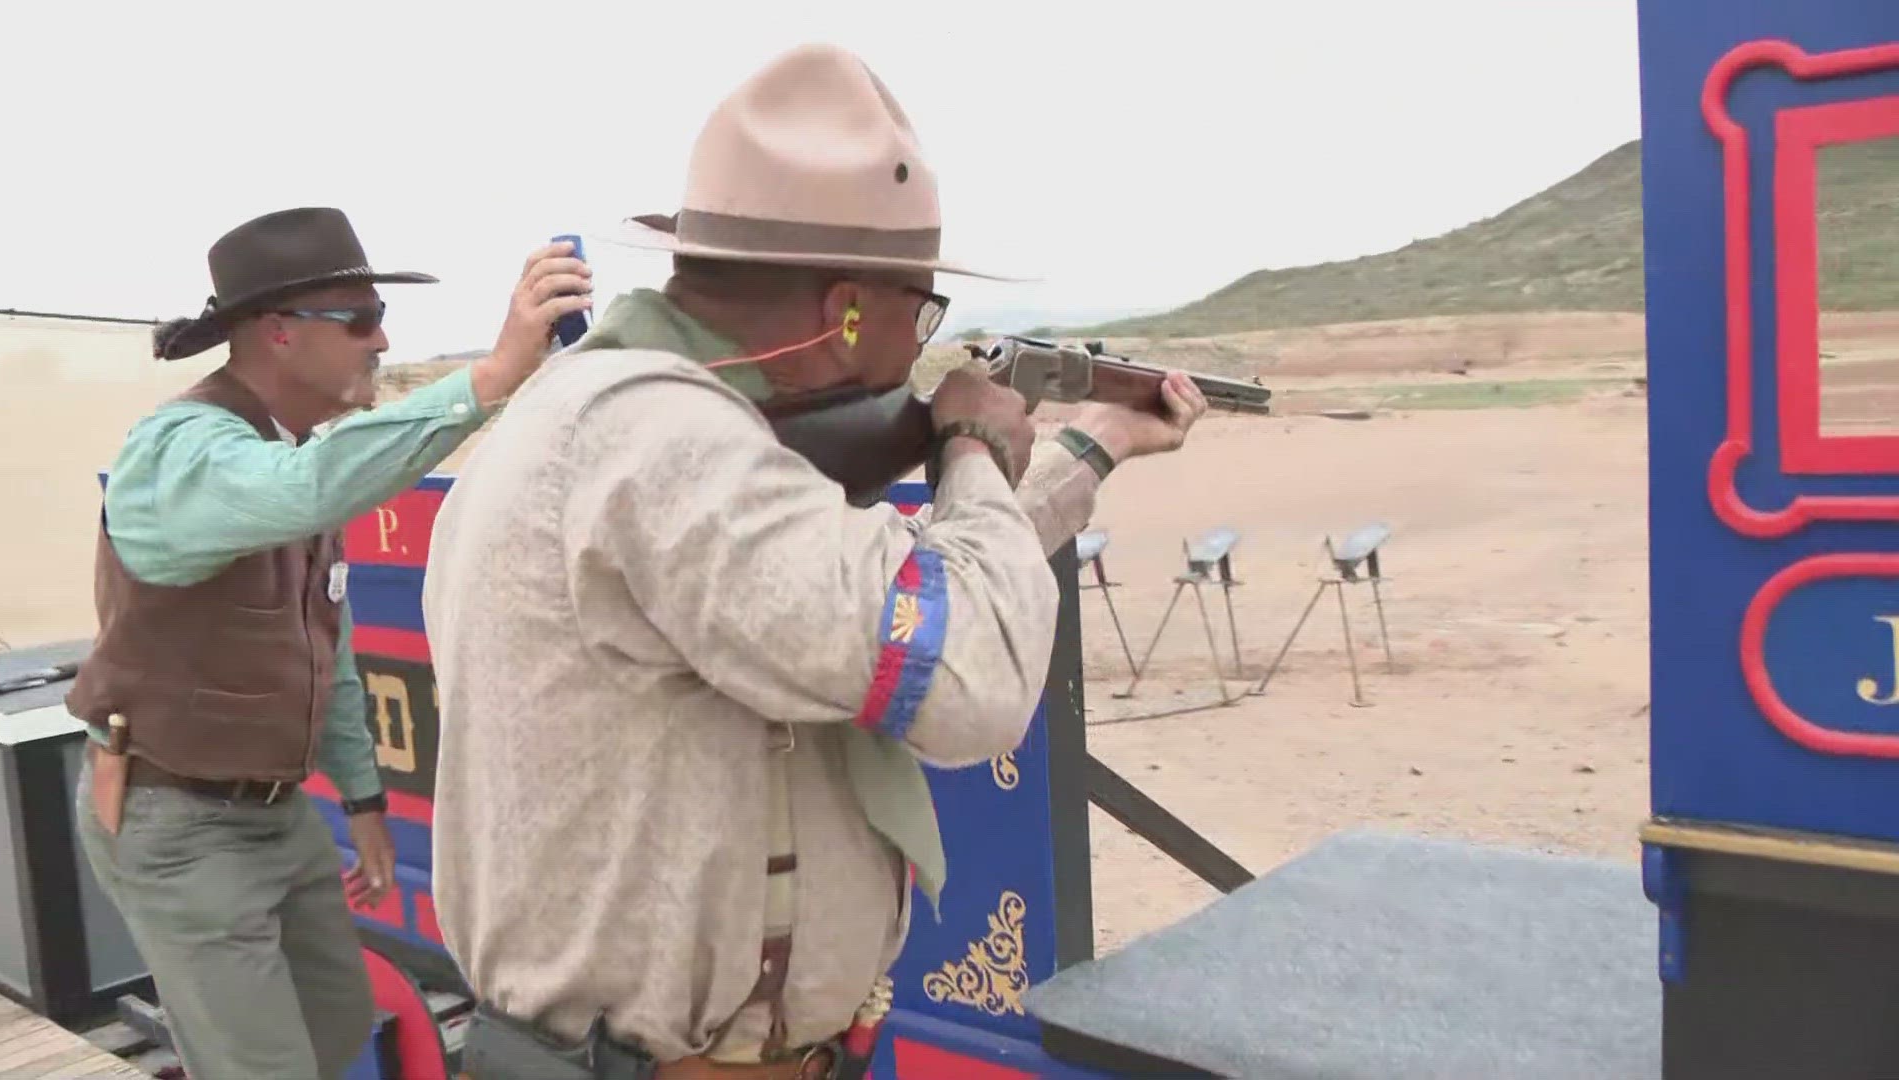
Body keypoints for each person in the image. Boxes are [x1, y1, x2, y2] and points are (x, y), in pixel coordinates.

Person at [423, 44, 1208, 1080]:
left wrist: (1089, 447)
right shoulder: (665, 444)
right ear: (845, 309)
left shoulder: (620, 421)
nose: (922, 341)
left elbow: (875, 590)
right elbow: (968, 668)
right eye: (920, 311)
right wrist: (968, 445)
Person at [63, 205, 591, 1080]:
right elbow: (303, 491)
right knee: (262, 1065)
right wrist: (495, 374)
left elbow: (326, 647)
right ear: (277, 333)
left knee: (343, 1026)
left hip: (274, 814)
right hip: (178, 820)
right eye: (361, 320)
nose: (381, 342)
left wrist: (363, 802)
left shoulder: (292, 453)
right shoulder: (184, 451)